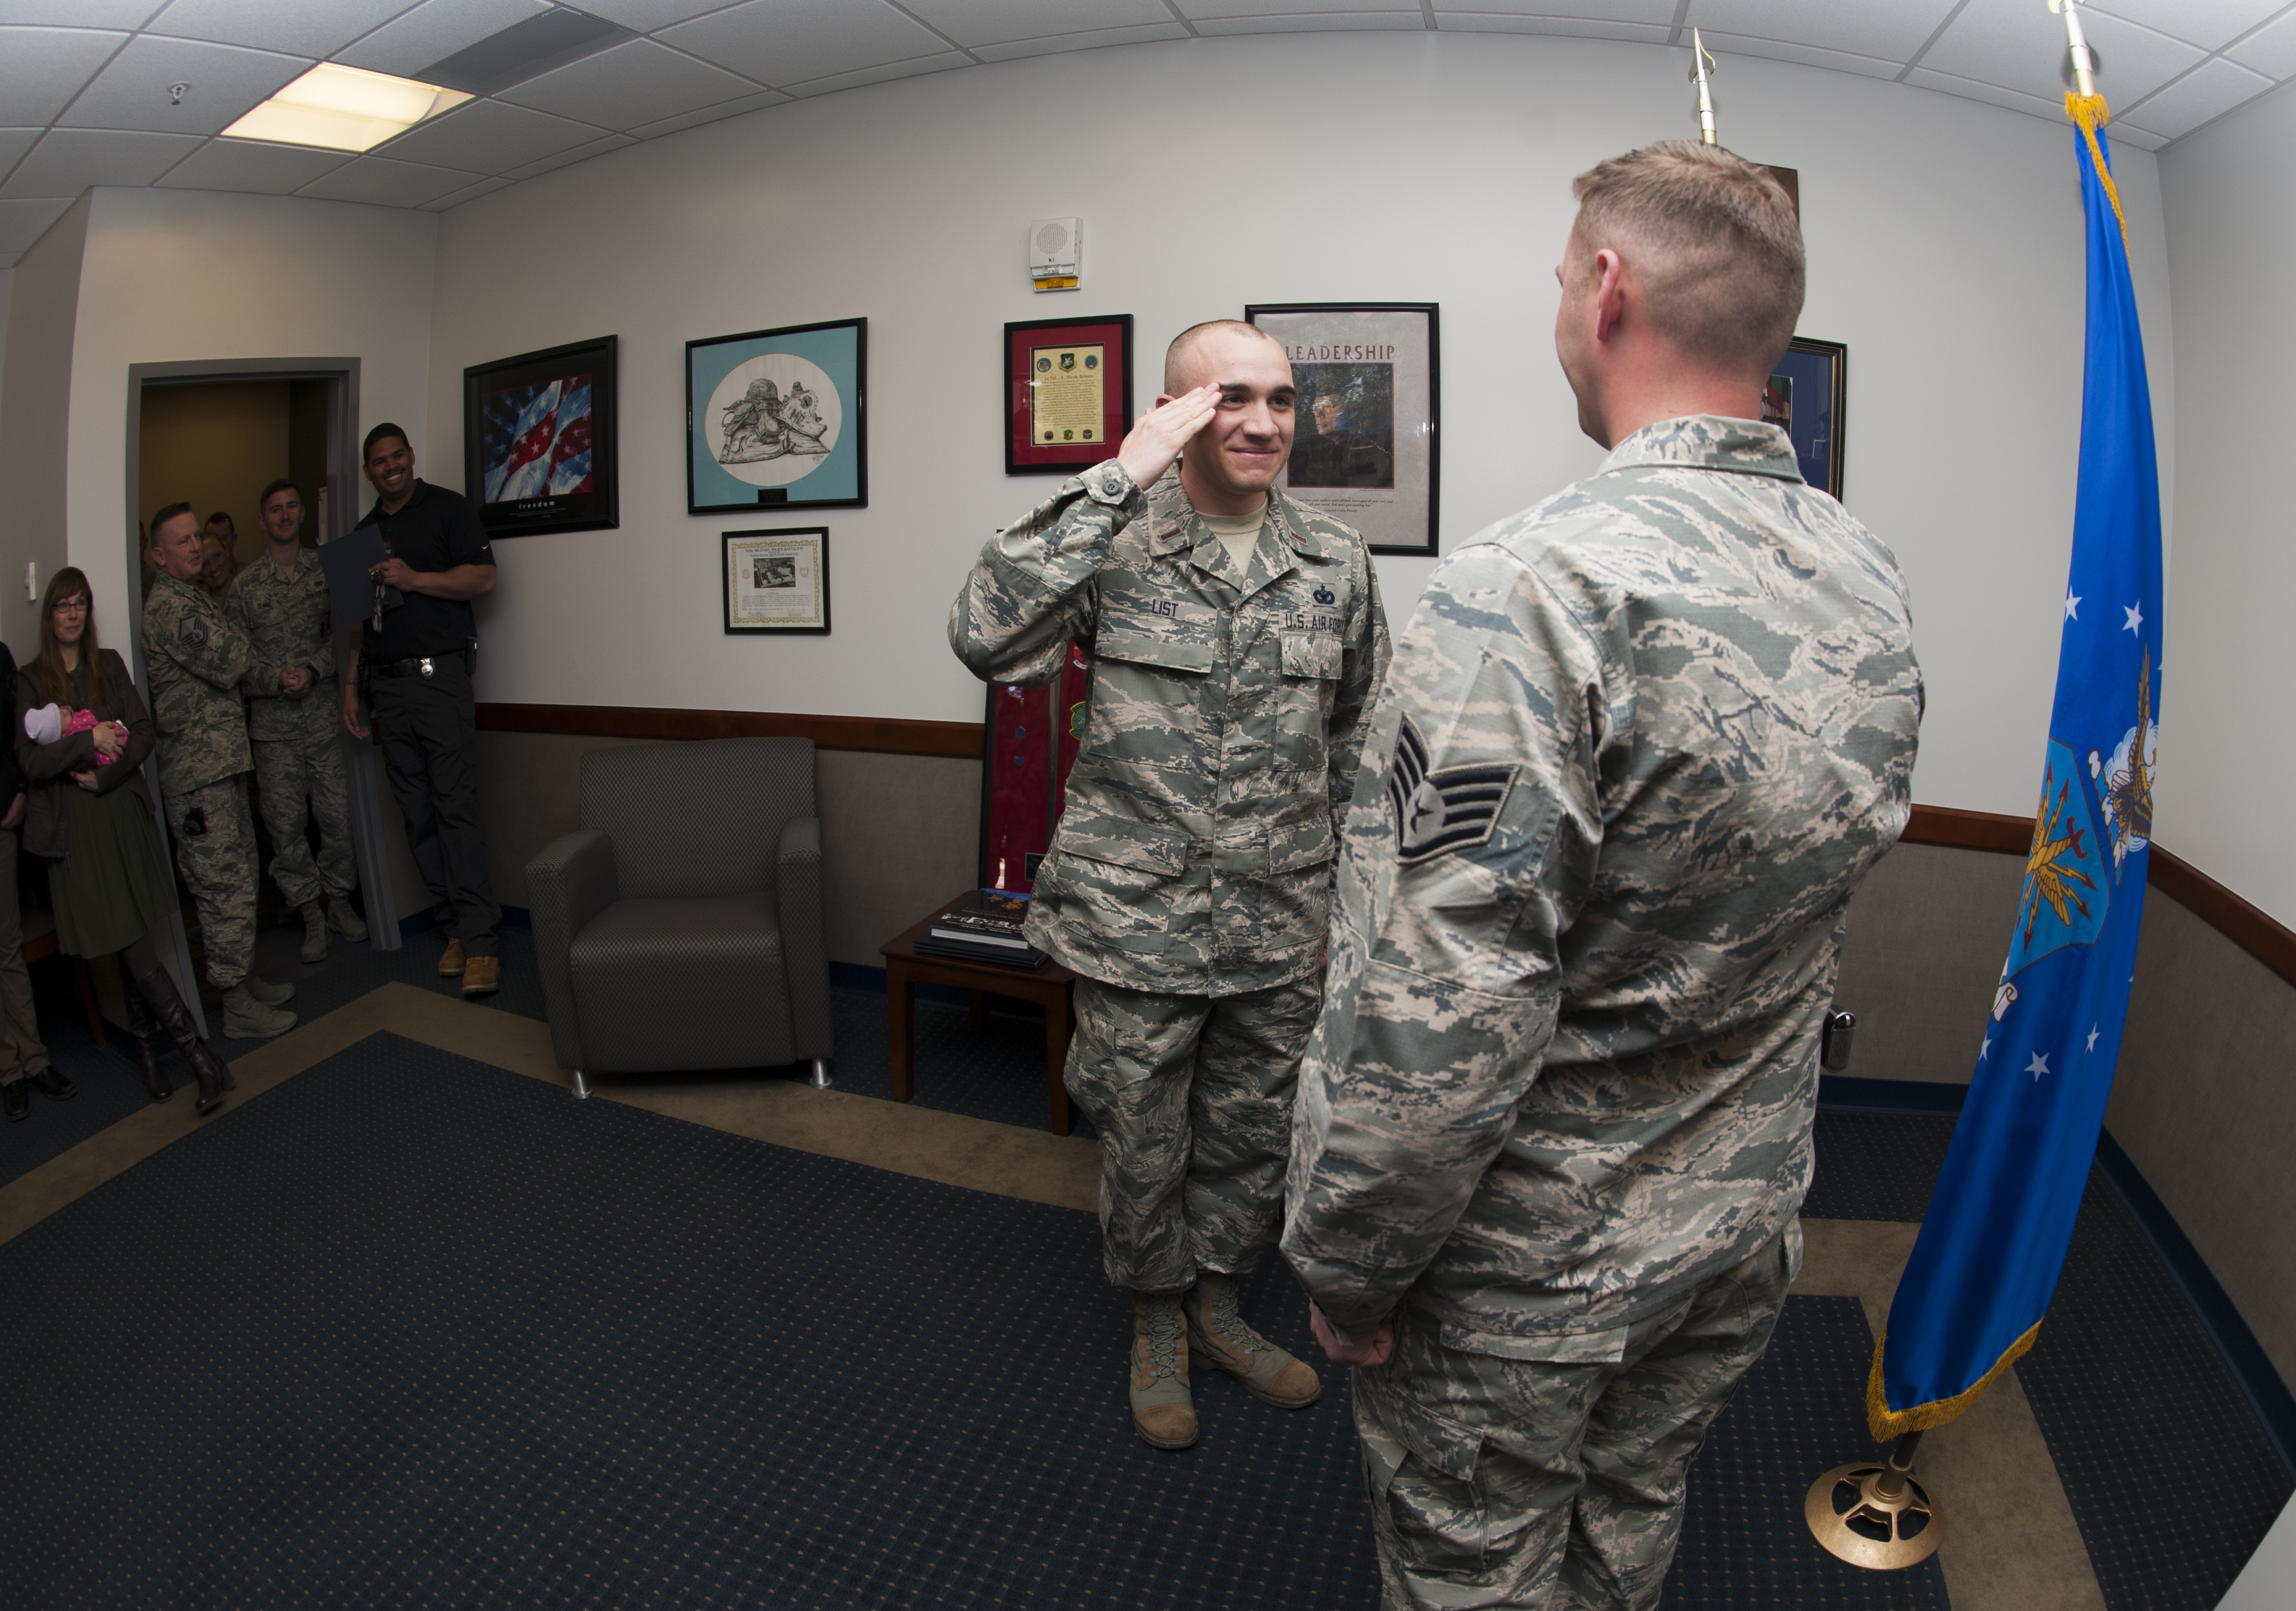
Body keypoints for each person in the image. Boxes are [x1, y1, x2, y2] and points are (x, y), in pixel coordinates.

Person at [1280, 141, 1925, 1610]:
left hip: (1530, 1272)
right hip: (1734, 1226)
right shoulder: (1864, 569)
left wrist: (1349, 1263)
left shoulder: (1531, 586)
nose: (1561, 304)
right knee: (1629, 1521)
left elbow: (1441, 1006)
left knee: (1478, 1570)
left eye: (1562, 276)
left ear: (1607, 289)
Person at [950, 319, 1391, 1451]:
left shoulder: (1335, 560)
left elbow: (1357, 742)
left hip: (1278, 919)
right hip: (1134, 921)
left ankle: (1219, 1307)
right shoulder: (1117, 540)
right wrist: (1118, 475)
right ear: (1175, 412)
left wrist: (1350, 915)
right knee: (1143, 1136)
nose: (1263, 421)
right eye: (1229, 397)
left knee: (1250, 1135)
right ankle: (1156, 1320)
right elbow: (987, 638)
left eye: (1281, 399)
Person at [16, 567, 234, 1114]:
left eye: (80, 604)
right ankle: (192, 1057)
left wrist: (106, 772)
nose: (72, 614)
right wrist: (88, 739)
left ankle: (169, 1056)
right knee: (122, 938)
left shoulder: (109, 663)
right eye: (63, 604)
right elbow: (31, 760)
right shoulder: (31, 680)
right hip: (75, 830)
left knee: (133, 937)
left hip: (118, 811)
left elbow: (141, 731)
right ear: (50, 614)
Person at [341, 424, 501, 997]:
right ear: (368, 472)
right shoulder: (361, 536)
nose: (390, 467)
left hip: (440, 681)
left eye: (397, 456)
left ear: (411, 457)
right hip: (386, 689)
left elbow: (484, 578)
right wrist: (350, 687)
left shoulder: (448, 509)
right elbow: (358, 623)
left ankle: (481, 943)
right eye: (378, 461)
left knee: (456, 809)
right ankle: (453, 928)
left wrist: (414, 578)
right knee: (418, 814)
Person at [142, 502, 298, 1041]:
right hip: (198, 776)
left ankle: (244, 979)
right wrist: (245, 647)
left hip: (221, 764)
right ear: (158, 556)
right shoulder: (171, 609)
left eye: (196, 537)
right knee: (221, 886)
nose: (195, 547)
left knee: (242, 875)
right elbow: (232, 659)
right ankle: (235, 1004)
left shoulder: (195, 599)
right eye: (182, 541)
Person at [229, 479, 367, 963]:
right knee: (285, 828)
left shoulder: (326, 571)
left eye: (291, 507)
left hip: (323, 719)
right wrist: (275, 677)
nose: (284, 515)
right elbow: (237, 659)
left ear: (303, 513)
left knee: (338, 820)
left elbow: (348, 636)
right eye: (275, 509)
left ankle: (339, 903)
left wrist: (312, 670)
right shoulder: (244, 587)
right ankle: (310, 913)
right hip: (274, 731)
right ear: (262, 520)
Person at [0, 627, 68, 1124]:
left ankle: (35, 1061)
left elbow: (15, 732)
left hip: (2, 819)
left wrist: (22, 791)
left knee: (7, 948)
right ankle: (9, 1072)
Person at [199, 513, 243, 602]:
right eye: (205, 564)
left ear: (225, 551)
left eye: (217, 556)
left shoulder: (249, 581)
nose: (213, 568)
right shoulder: (196, 595)